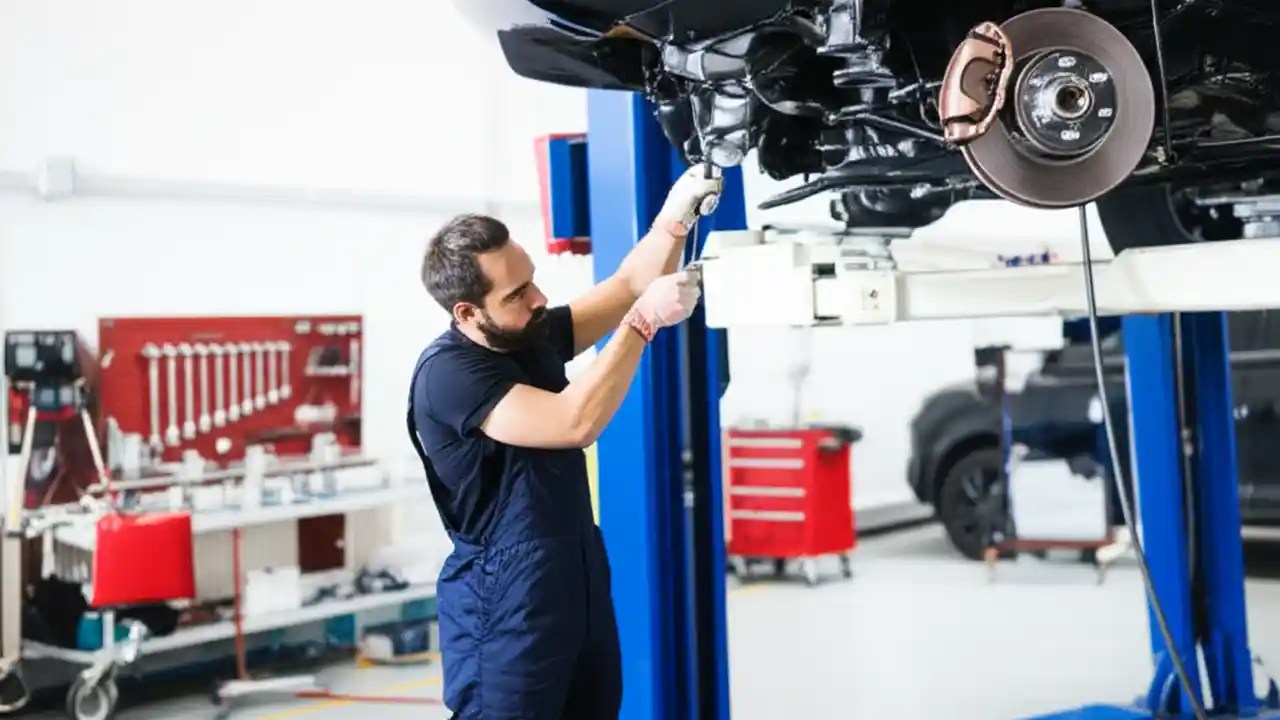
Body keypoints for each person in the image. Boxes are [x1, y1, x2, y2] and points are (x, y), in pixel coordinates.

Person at [405, 166, 723, 720]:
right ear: (467, 312)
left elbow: (625, 287)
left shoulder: (527, 333)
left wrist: (676, 217)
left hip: (573, 576)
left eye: (532, 279)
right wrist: (644, 322)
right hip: (502, 602)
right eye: (518, 293)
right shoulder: (451, 374)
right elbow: (573, 422)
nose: (539, 298)